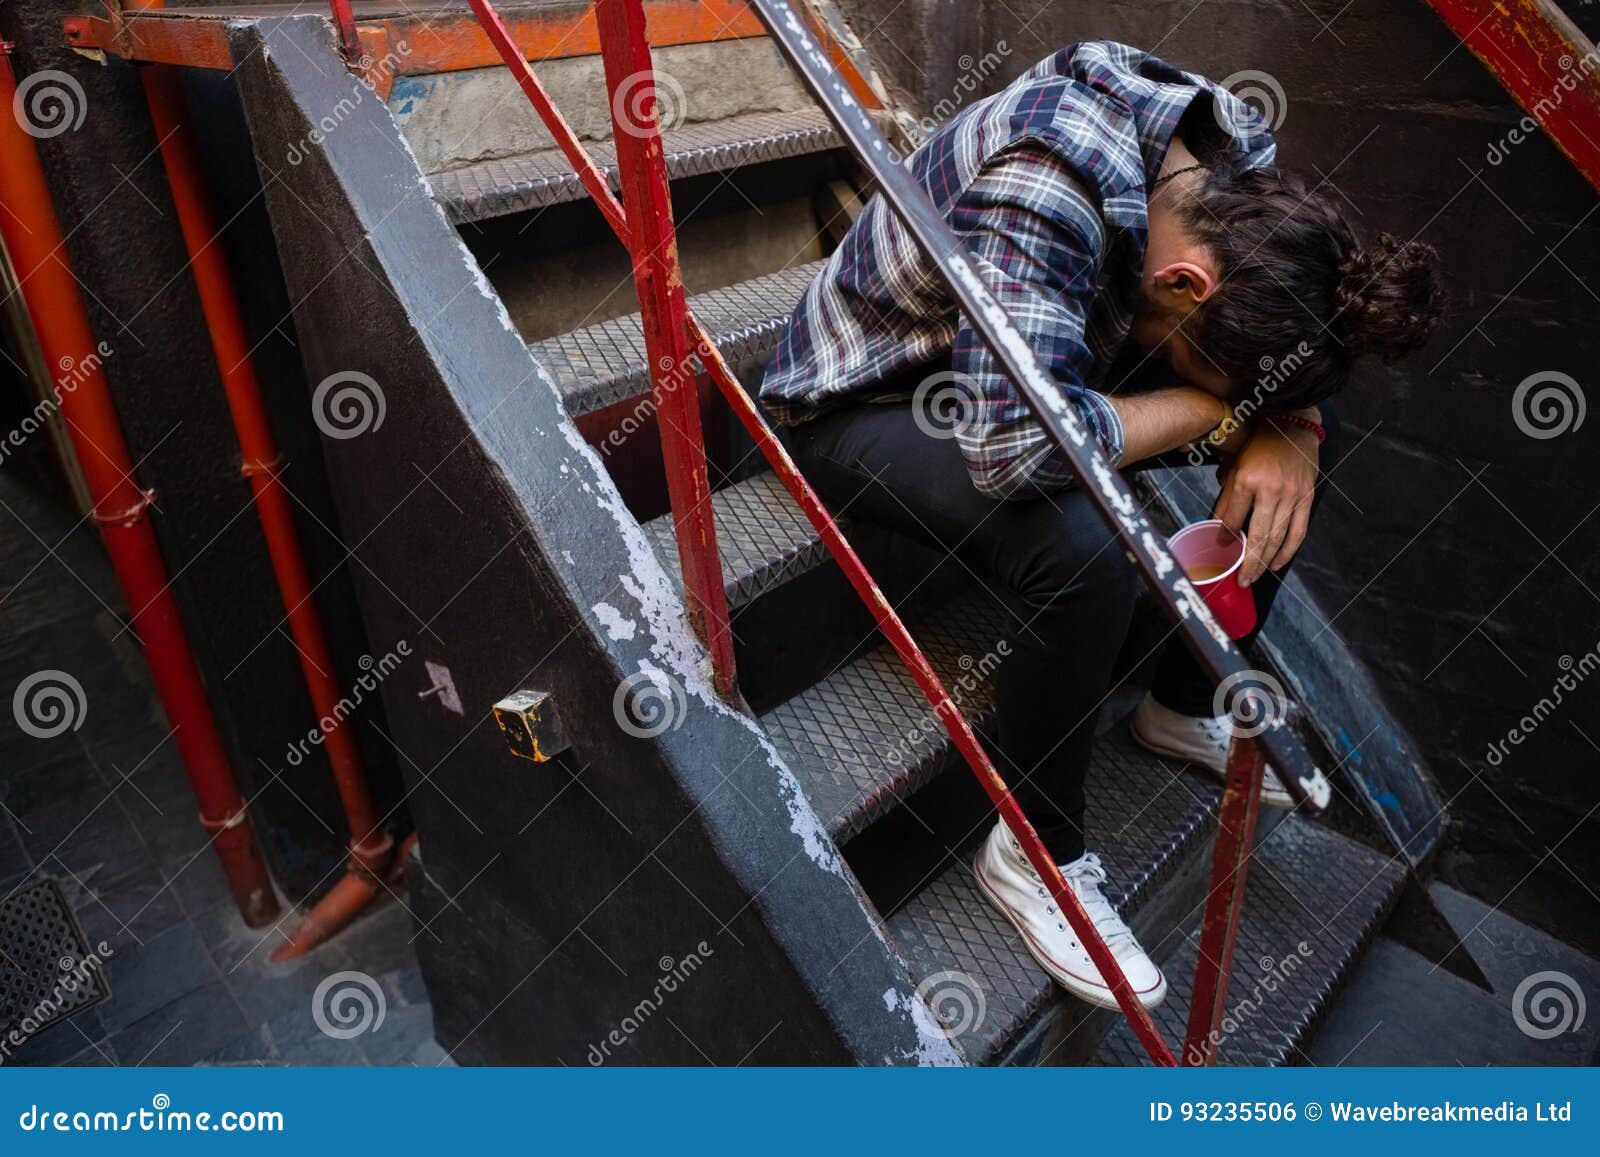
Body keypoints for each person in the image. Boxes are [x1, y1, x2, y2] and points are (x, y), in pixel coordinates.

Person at [760, 42, 1442, 1010]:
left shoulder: (1227, 154)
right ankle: (1035, 849)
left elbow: (1283, 357)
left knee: (1294, 444)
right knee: (1081, 549)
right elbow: (1013, 450)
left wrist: (1287, 420)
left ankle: (1176, 701)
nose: (1230, 398)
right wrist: (1220, 415)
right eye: (1221, 367)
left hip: (1029, 354)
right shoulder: (1047, 188)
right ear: (1186, 287)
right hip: (874, 398)